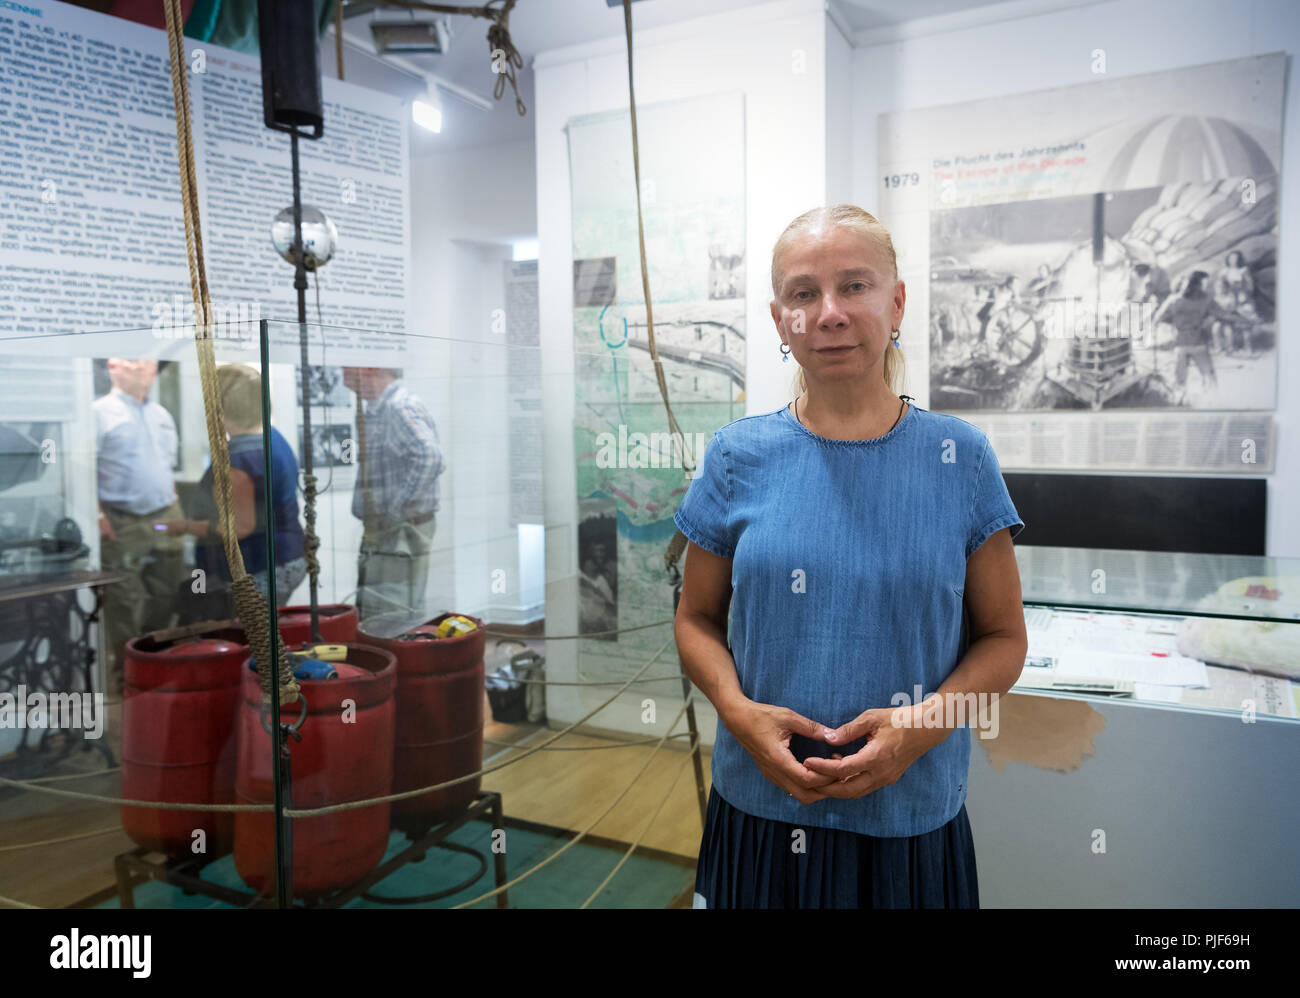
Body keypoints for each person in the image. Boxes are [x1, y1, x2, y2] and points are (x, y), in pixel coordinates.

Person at [673, 204, 1028, 909]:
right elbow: (696, 621)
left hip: (909, 819)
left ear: (896, 303)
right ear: (781, 322)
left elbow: (1003, 640)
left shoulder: (960, 458)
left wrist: (917, 730)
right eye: (804, 293)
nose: (829, 312)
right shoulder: (737, 457)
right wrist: (738, 713)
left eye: (855, 286)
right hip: (763, 812)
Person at [157, 363, 307, 613]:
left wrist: (177, 527)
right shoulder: (272, 438)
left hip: (261, 567)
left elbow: (239, 527)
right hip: (284, 557)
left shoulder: (242, 459)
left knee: (250, 640)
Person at [94, 357, 188, 698]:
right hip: (122, 519)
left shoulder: (161, 414)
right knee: (123, 600)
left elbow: (165, 465)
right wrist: (97, 516)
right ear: (113, 367)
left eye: (147, 362)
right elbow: (82, 468)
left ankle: (156, 665)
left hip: (164, 515)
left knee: (167, 590)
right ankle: (127, 678)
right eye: (131, 361)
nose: (142, 367)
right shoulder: (99, 412)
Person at [343, 366, 444, 620]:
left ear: (369, 370)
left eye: (347, 371)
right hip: (389, 529)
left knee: (391, 615)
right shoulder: (381, 409)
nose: (345, 382)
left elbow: (430, 458)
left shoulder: (398, 407)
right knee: (380, 610)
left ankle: (399, 659)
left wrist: (394, 512)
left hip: (399, 530)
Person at [1151, 270, 1237, 403]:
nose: (1206, 287)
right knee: (1208, 377)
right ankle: (1213, 403)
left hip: (1183, 344)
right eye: (1204, 284)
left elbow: (1157, 319)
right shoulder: (1207, 300)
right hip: (1197, 344)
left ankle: (1181, 400)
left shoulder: (1174, 300)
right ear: (1195, 284)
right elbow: (1224, 314)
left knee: (1182, 380)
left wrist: (1174, 322)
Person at [1211, 250, 1257, 355]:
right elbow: (1219, 286)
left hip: (1242, 299)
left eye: (1235, 258)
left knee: (1246, 323)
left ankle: (1247, 348)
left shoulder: (1244, 270)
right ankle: (1228, 347)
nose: (1233, 260)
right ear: (1228, 259)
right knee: (1225, 324)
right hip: (1228, 300)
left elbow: (1250, 287)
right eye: (1231, 258)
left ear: (1239, 259)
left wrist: (1242, 291)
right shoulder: (1224, 271)